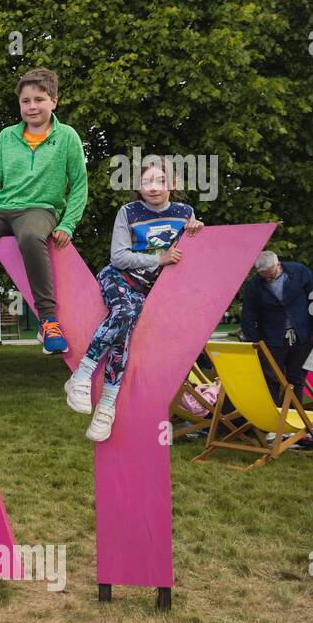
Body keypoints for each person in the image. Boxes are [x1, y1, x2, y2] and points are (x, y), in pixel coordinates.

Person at [0, 67, 89, 354]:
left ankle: (47, 321)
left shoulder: (67, 137)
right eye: (26, 101)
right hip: (1, 210)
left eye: (39, 99)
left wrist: (67, 225)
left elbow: (79, 187)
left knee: (30, 238)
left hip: (39, 210)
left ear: (54, 101)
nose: (32, 106)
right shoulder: (6, 137)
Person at [63, 161, 203, 440]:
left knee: (123, 338)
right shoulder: (129, 212)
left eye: (160, 181)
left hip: (146, 290)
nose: (153, 187)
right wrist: (158, 258)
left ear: (172, 184)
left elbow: (188, 248)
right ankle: (82, 375)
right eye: (147, 182)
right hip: (118, 278)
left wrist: (196, 229)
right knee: (125, 311)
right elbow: (118, 256)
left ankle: (106, 406)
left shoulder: (184, 212)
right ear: (138, 187)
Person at [240, 251, 313, 402]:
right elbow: (248, 316)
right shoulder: (253, 286)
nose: (268, 279)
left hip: (302, 334)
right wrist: (254, 342)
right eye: (264, 276)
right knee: (271, 380)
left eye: (271, 275)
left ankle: (294, 417)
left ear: (278, 265)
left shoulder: (300, 271)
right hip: (271, 339)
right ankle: (273, 420)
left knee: (296, 380)